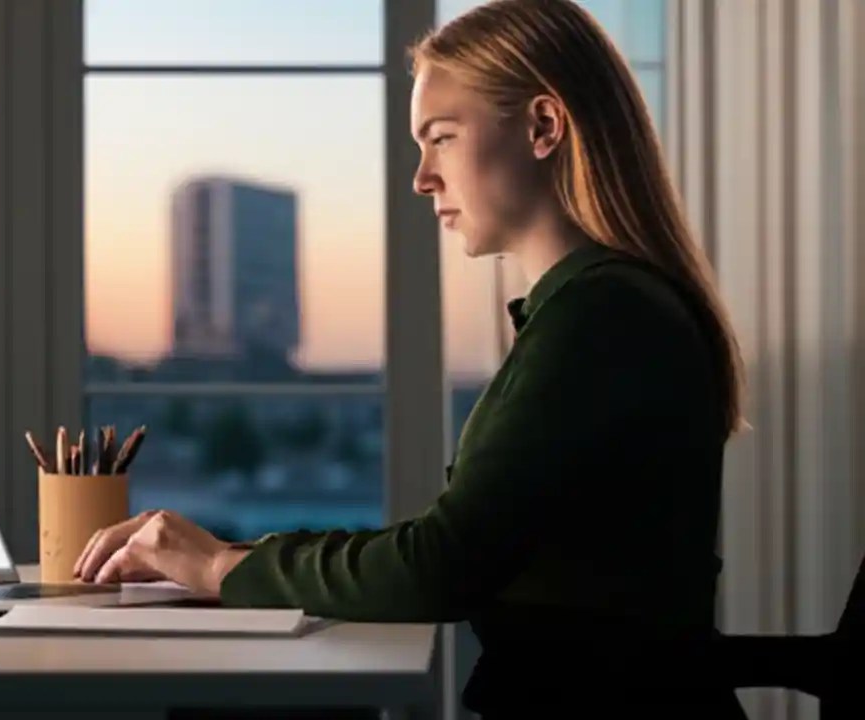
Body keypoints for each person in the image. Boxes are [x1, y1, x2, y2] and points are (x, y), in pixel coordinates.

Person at [75, 1, 747, 716]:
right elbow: (451, 545)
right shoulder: (600, 308)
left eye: (442, 138)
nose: (423, 177)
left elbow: (441, 567)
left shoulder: (602, 318)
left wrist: (218, 567)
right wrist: (233, 558)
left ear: (544, 126)